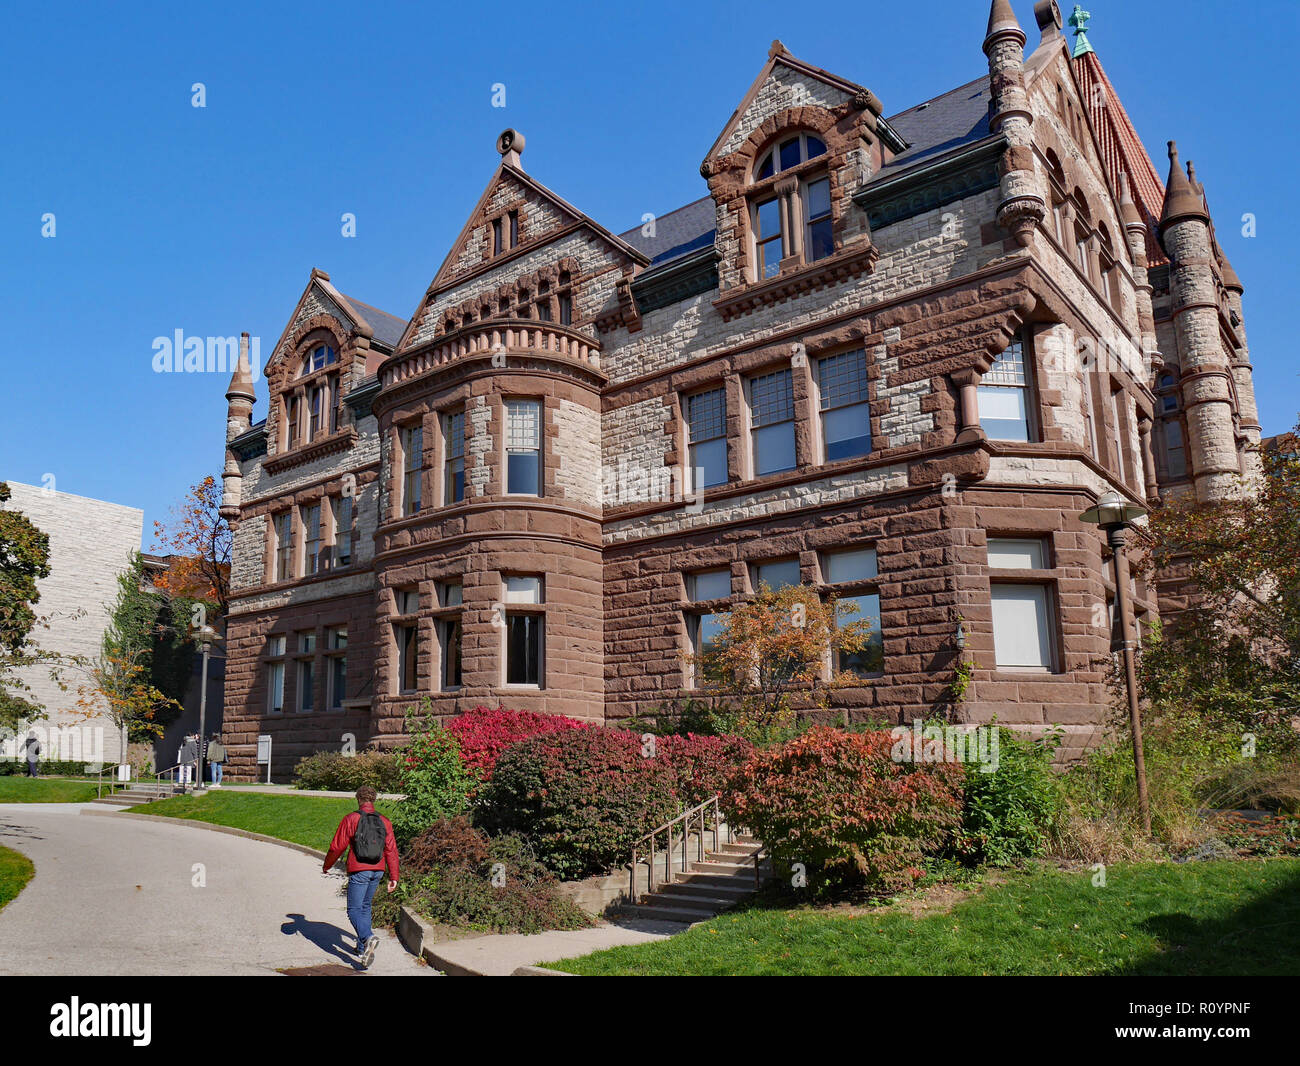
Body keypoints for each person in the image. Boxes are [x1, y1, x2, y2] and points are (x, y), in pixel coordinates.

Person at [322, 786, 399, 969]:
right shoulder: (384, 821)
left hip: (359, 869)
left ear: (358, 799)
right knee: (365, 907)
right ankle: (361, 947)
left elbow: (336, 847)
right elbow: (391, 850)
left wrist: (327, 866)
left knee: (354, 910)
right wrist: (394, 875)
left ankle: (367, 938)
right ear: (373, 799)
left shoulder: (351, 819)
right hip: (378, 870)